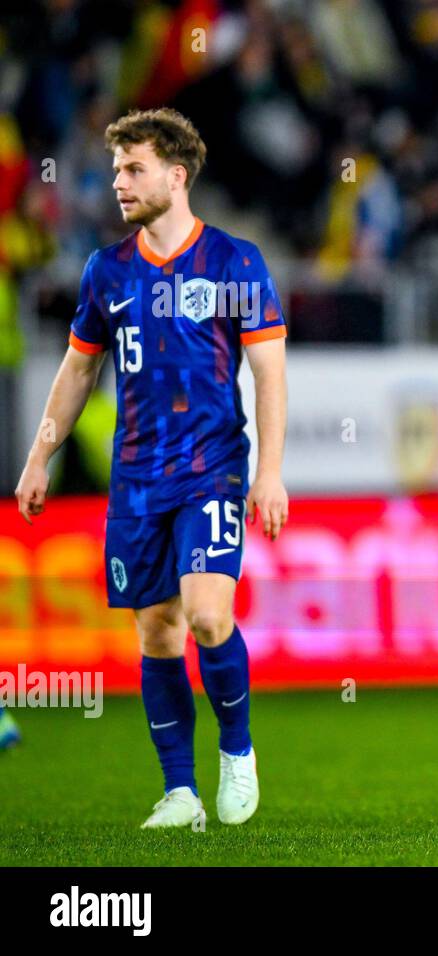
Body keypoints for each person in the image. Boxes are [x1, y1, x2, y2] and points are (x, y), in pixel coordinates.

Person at [13, 109, 289, 829]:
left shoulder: (235, 263)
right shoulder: (108, 271)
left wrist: (270, 472)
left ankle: (237, 752)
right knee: (157, 632)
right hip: (136, 481)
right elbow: (78, 371)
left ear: (177, 174)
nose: (119, 184)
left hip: (213, 469)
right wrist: (41, 454)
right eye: (114, 172)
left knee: (205, 615)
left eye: (133, 169)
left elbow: (270, 376)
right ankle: (180, 793)